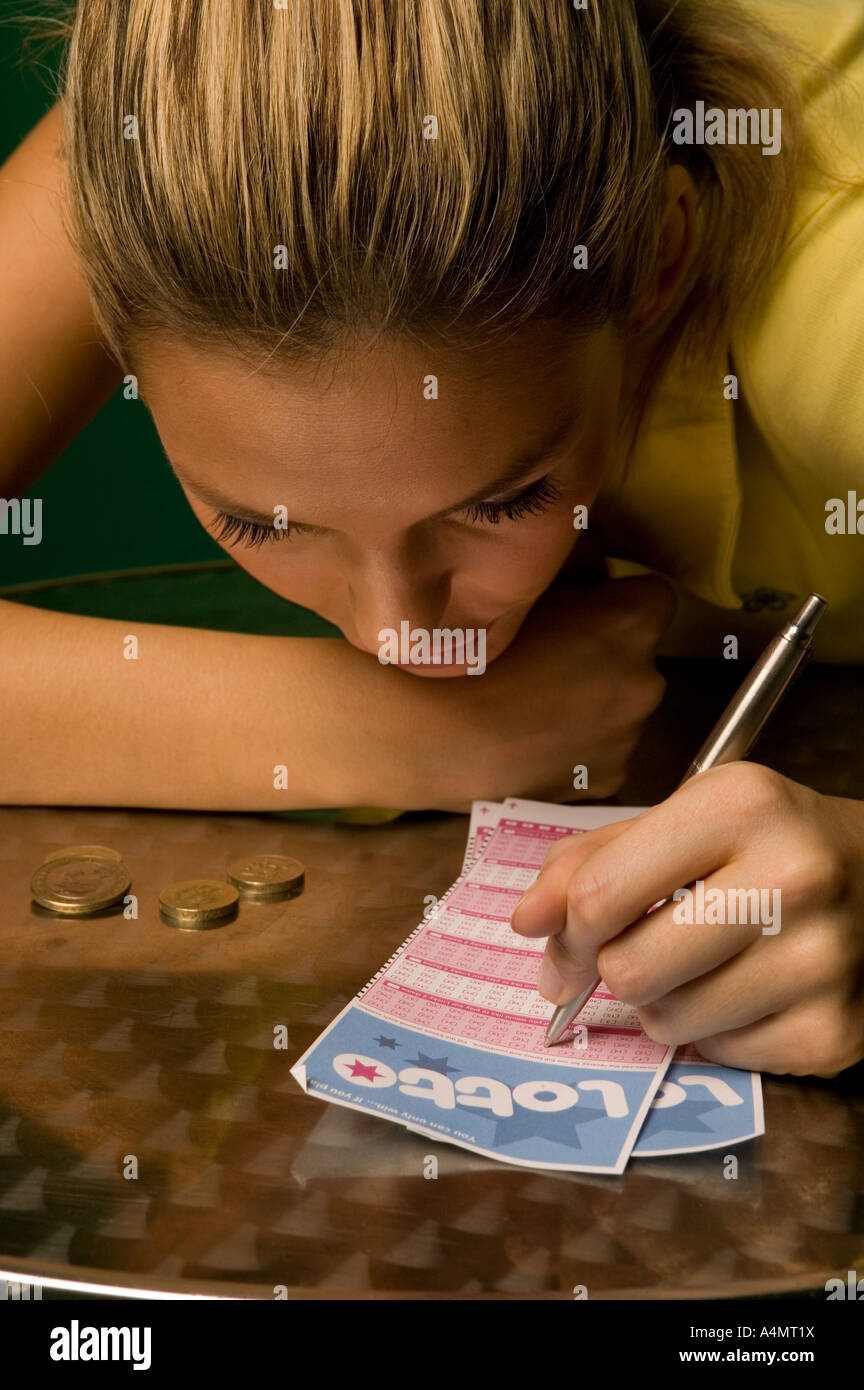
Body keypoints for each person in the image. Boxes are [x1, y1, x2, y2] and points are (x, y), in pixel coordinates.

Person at [1, 0, 862, 1076]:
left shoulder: (843, 312)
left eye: (502, 501)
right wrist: (418, 732)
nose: (399, 636)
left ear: (657, 259)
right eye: (260, 521)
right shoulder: (186, 139)